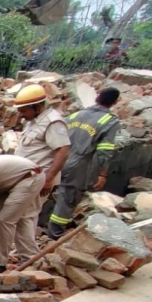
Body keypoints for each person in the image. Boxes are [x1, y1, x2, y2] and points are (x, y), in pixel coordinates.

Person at [0, 84, 69, 269]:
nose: (21, 114)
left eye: (24, 110)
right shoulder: (32, 121)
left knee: (22, 217)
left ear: (38, 107)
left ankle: (27, 259)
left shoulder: (53, 122)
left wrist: (48, 178)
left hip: (36, 178)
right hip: (17, 177)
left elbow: (63, 150)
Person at [48, 87, 121, 238]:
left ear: (97, 97)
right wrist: (102, 174)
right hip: (78, 163)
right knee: (68, 198)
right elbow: (105, 151)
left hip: (58, 158)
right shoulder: (109, 121)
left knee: (51, 193)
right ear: (115, 102)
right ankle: (55, 234)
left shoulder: (76, 114)